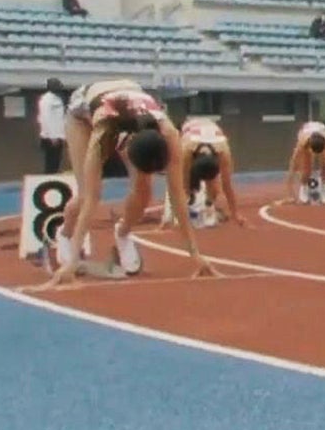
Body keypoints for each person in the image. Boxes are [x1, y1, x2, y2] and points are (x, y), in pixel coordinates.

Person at [41, 79, 215, 290]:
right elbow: (92, 200)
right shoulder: (103, 134)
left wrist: (195, 254)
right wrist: (71, 264)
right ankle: (65, 234)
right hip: (81, 113)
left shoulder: (170, 134)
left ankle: (122, 233)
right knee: (86, 193)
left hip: (128, 101)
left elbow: (178, 195)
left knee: (144, 190)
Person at [177, 116, 246, 226]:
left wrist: (235, 214)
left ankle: (209, 205)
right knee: (185, 183)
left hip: (210, 133)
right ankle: (186, 207)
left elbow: (227, 187)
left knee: (215, 188)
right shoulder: (185, 150)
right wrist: (185, 202)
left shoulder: (224, 153)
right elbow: (183, 182)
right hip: (189, 130)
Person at [38, 78, 66, 174]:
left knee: (56, 161)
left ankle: (54, 177)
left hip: (58, 135)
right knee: (51, 162)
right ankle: (49, 179)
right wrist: (52, 136)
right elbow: (46, 118)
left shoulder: (57, 99)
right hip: (50, 137)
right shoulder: (46, 99)